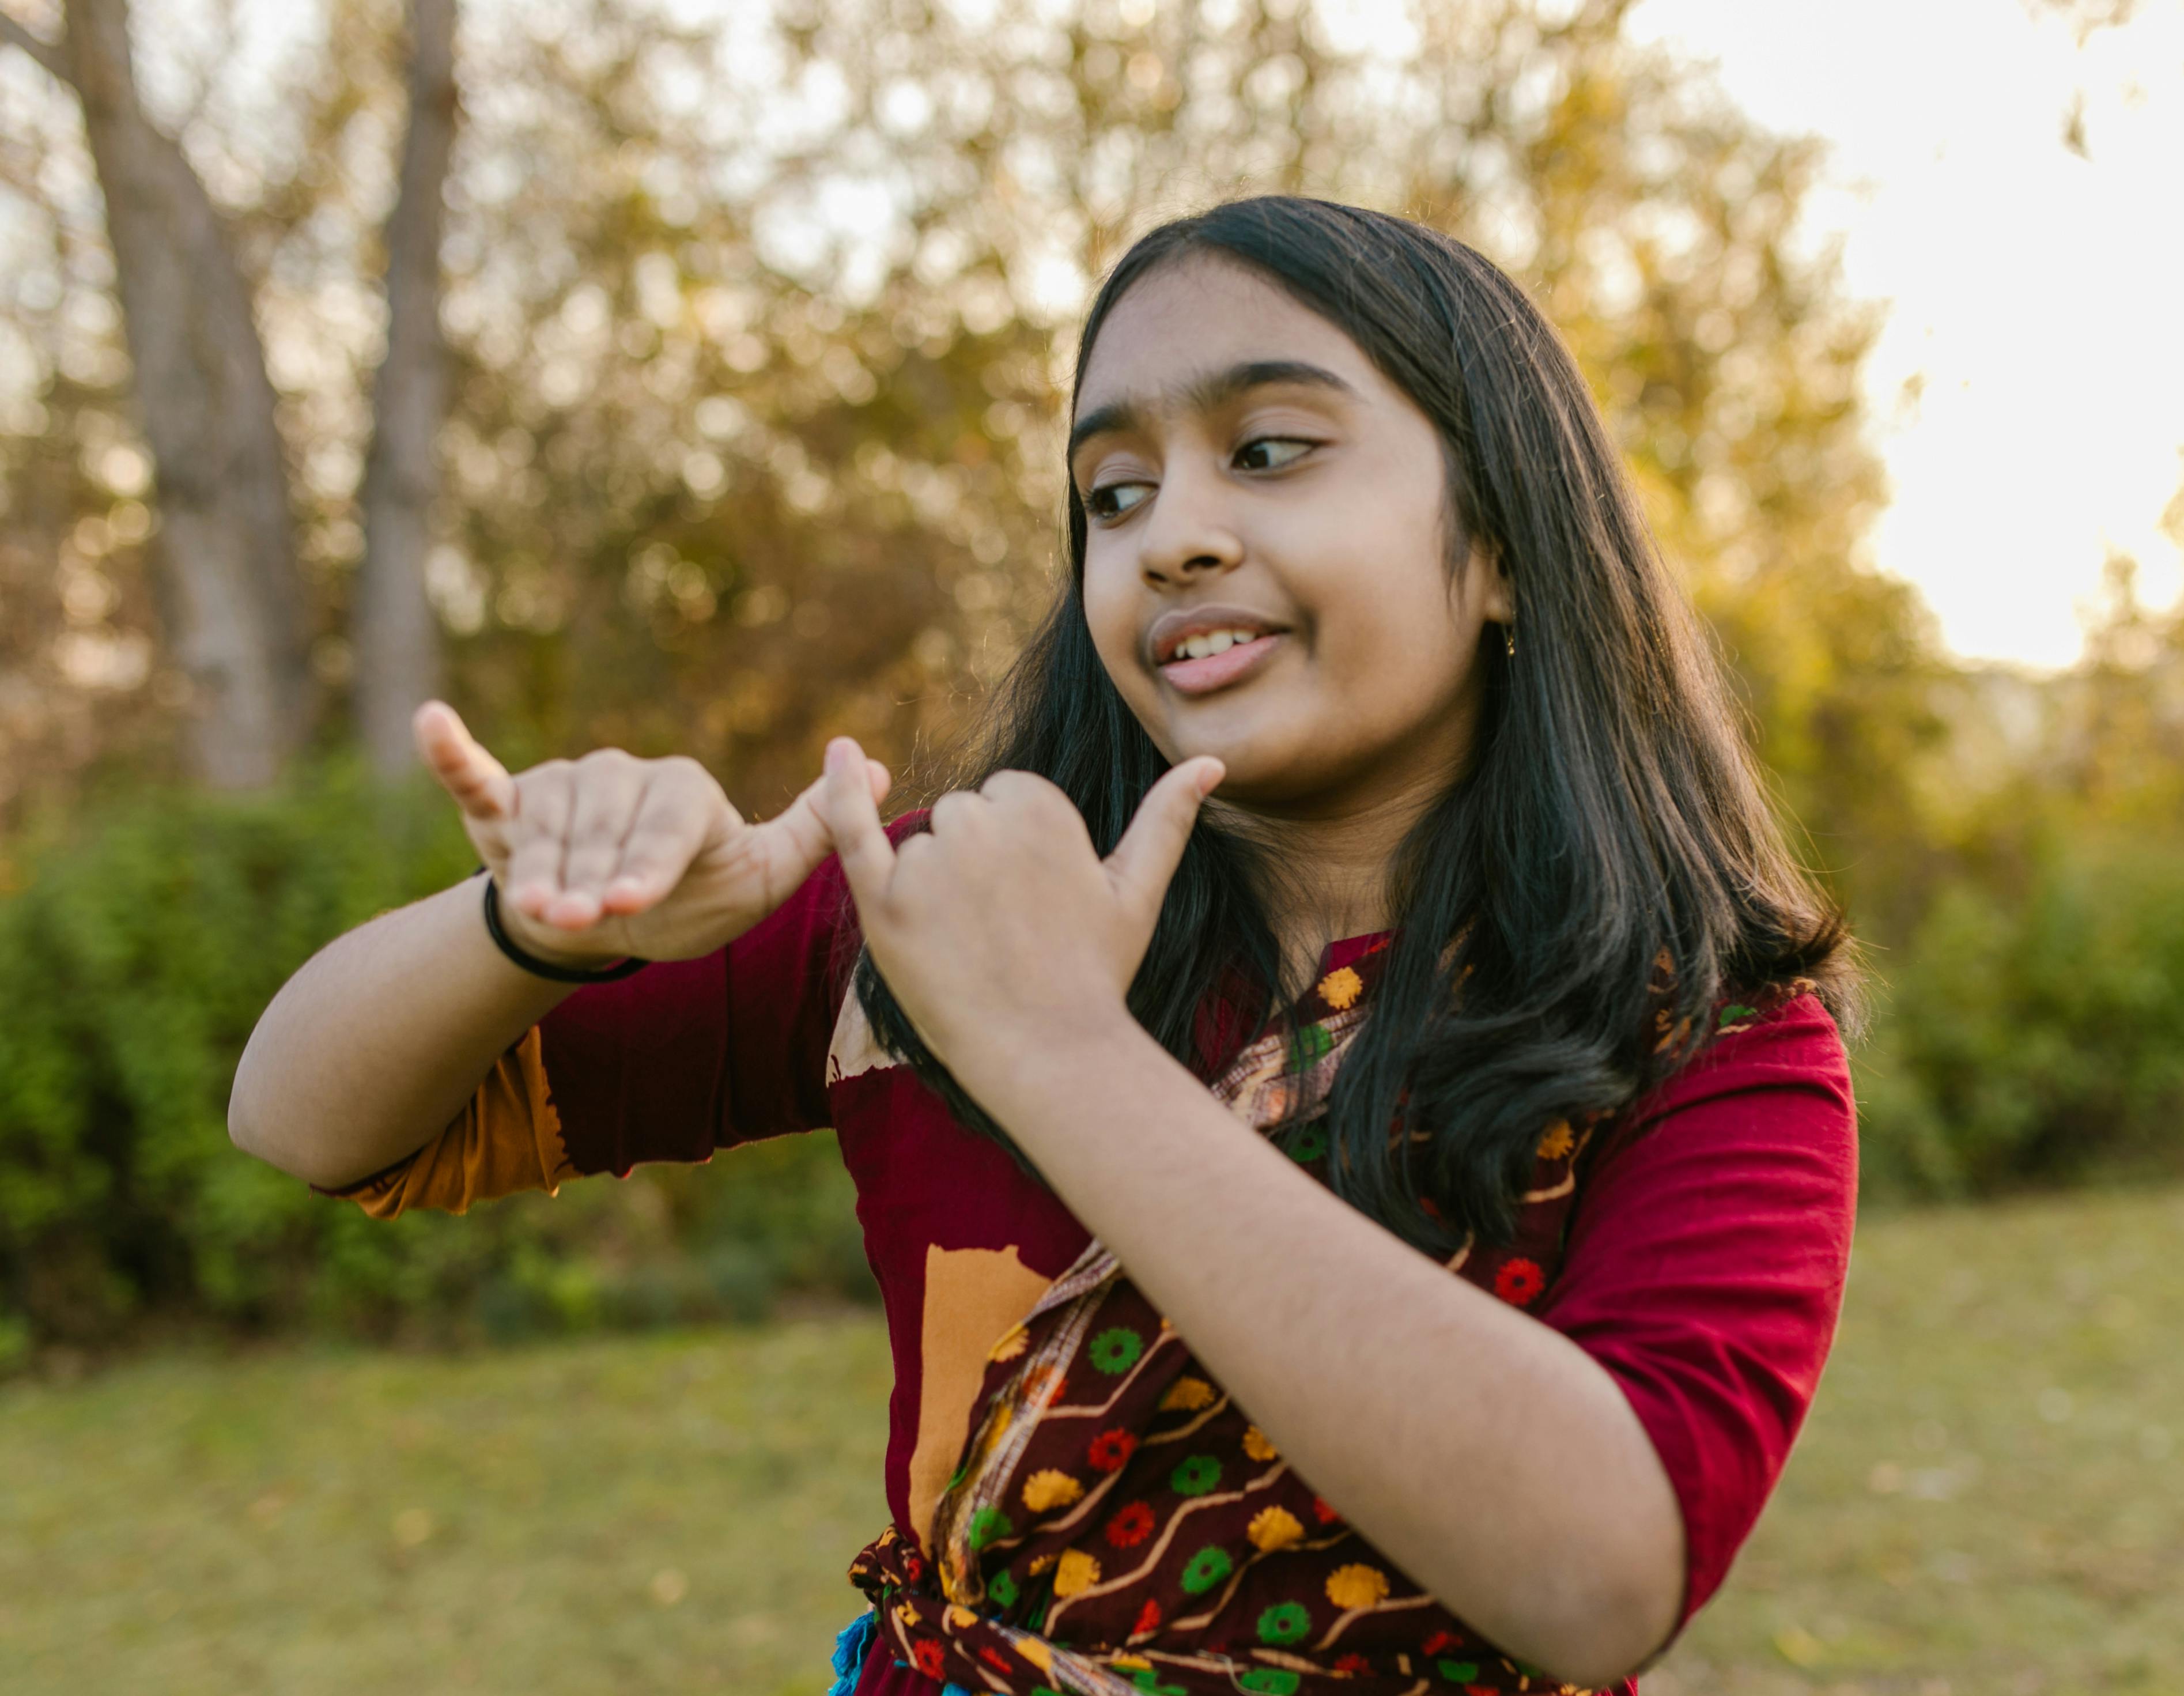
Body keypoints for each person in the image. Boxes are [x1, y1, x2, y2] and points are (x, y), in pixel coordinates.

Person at [229, 195, 1858, 1696]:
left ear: (1504, 546)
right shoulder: (948, 906)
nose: (1175, 535)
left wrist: (1060, 1054)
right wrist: (540, 928)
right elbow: (304, 1117)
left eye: (1273, 449)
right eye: (1114, 492)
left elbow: (1596, 1576)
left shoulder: (1709, 1036)